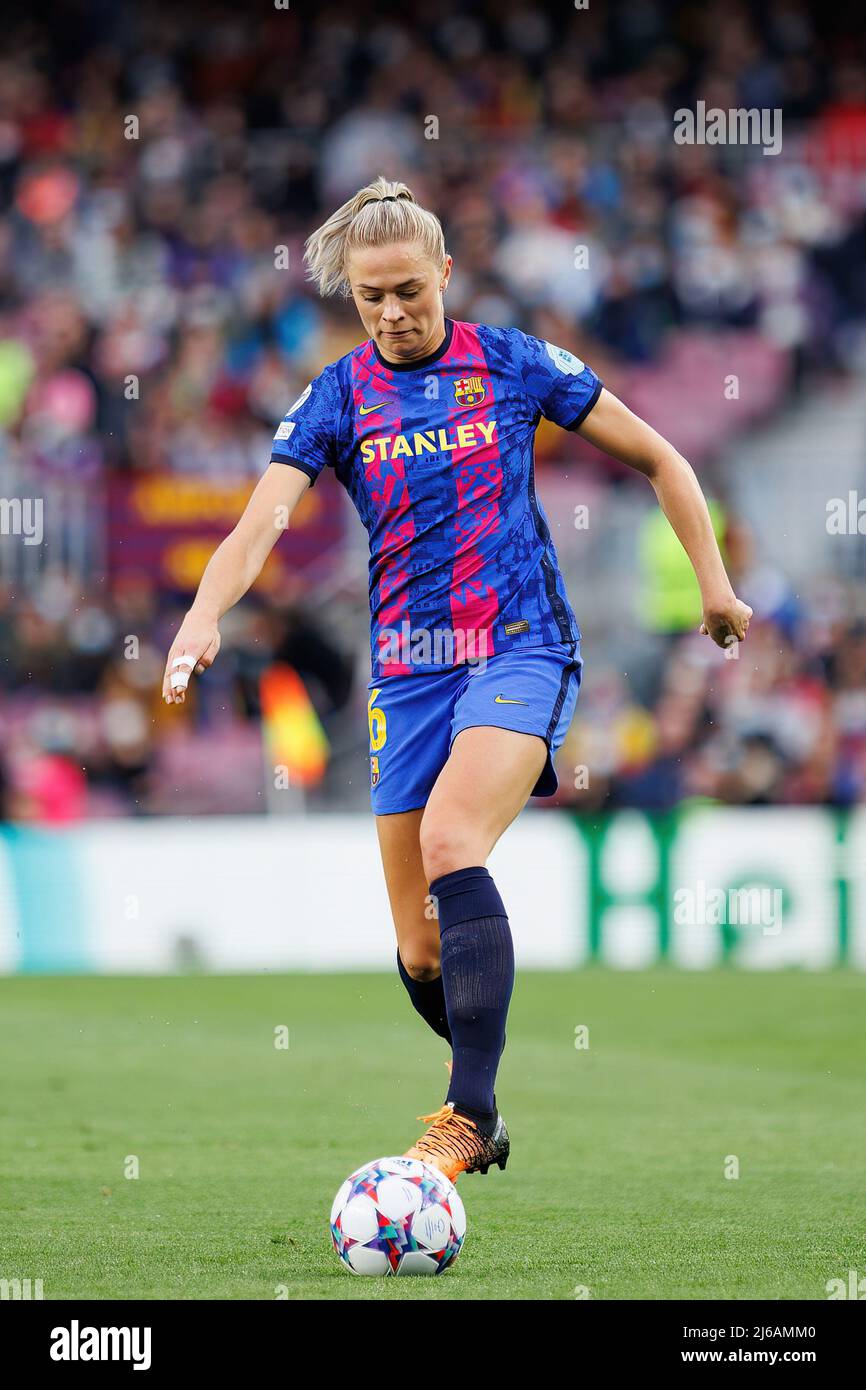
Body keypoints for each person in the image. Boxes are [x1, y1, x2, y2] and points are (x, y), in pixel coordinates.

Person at [162, 178, 751, 1183]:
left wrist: (714, 587)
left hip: (516, 647)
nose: (391, 313)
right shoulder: (339, 394)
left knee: (449, 839)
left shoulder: (512, 364)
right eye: (368, 298)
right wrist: (203, 612)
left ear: (444, 272)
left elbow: (659, 457)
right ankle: (477, 1090)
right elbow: (260, 518)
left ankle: (465, 1112)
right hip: (403, 677)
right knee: (420, 950)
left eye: (406, 290)